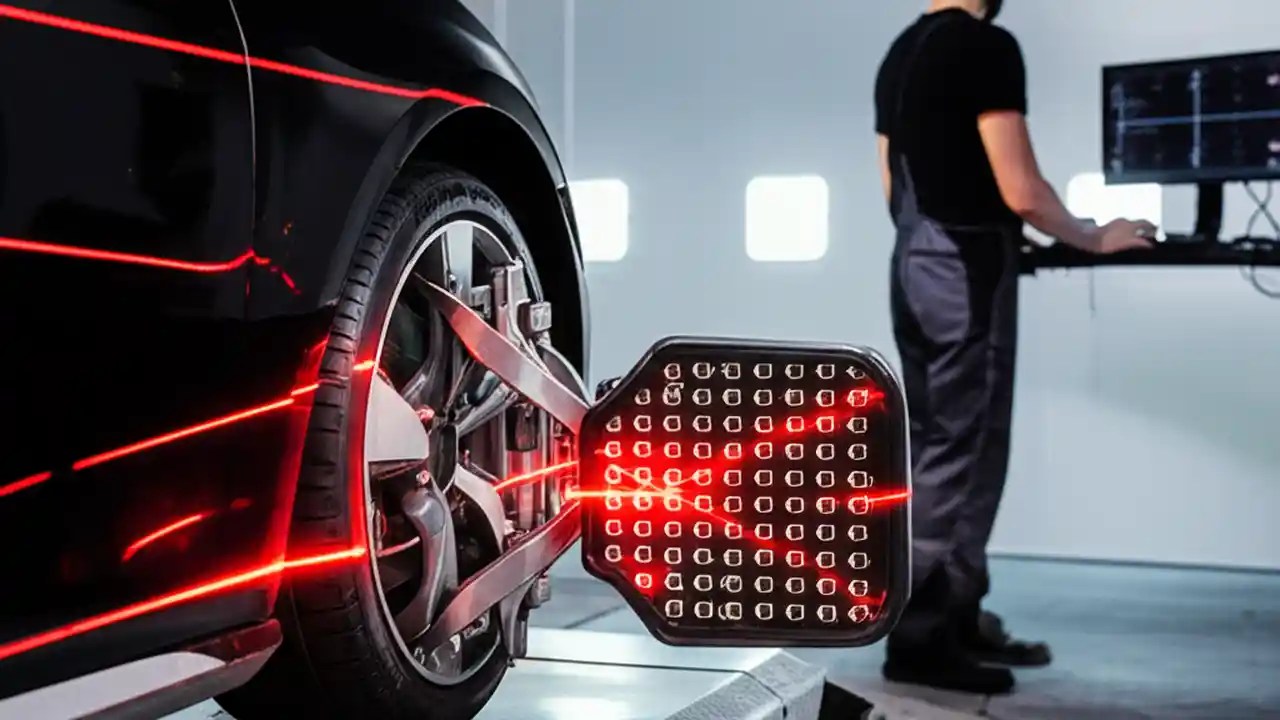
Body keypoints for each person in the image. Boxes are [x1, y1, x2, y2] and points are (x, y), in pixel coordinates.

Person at [873, 0, 1156, 695]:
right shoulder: (985, 45)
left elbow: (891, 182)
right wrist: (1092, 234)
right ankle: (922, 637)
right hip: (965, 268)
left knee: (938, 440)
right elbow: (1022, 188)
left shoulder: (901, 51)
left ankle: (957, 616)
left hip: (915, 260)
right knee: (963, 451)